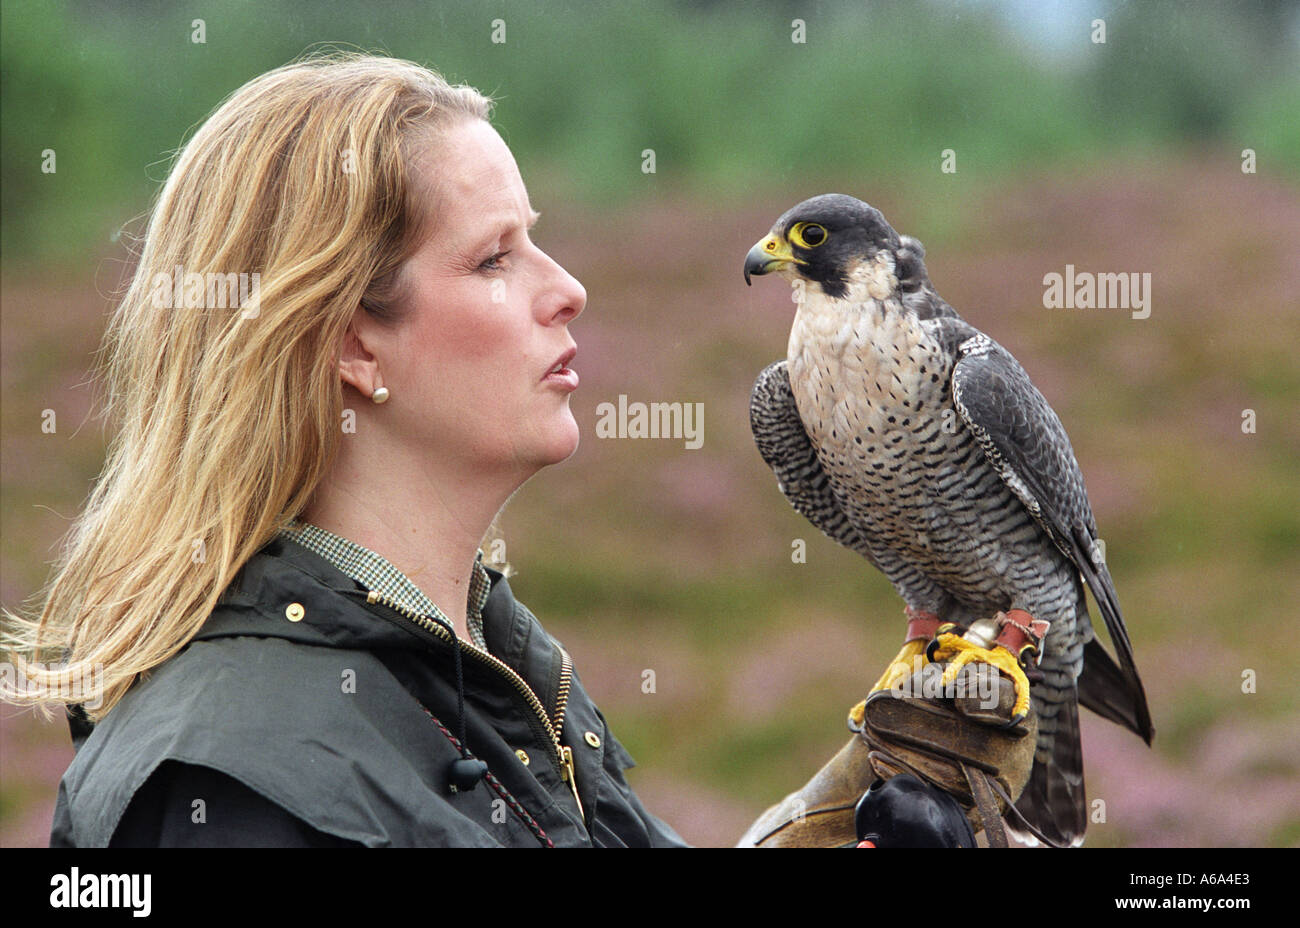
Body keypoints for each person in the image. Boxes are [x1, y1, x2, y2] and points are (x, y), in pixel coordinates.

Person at [3, 53, 1029, 848]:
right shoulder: (224, 786)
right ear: (353, 343)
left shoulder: (494, 669)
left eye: (535, 237)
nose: (566, 286)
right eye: (495, 256)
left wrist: (860, 813)